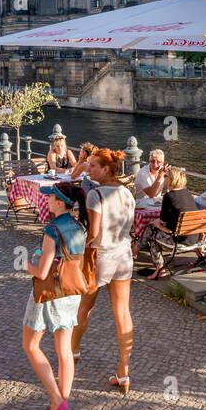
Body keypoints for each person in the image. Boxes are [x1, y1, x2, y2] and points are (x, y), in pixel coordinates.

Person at [21, 181, 88, 410]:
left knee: (30, 345)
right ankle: (60, 407)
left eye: (50, 198)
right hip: (72, 293)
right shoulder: (80, 225)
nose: (47, 201)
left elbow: (42, 272)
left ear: (60, 202)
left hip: (50, 294)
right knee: (64, 351)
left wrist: (25, 264)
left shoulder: (52, 229)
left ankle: (56, 398)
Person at [71, 149, 135, 392]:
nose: (89, 170)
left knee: (85, 307)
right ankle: (124, 371)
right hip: (124, 255)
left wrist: (79, 248)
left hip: (102, 257)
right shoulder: (128, 193)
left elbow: (94, 234)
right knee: (122, 312)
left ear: (106, 169)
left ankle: (73, 351)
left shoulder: (95, 195)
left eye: (93, 166)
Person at [140, 166, 202, 279]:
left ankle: (159, 268)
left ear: (171, 179)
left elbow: (163, 221)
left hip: (178, 239)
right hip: (194, 237)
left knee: (153, 235)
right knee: (152, 227)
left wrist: (156, 224)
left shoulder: (169, 196)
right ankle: (137, 248)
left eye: (165, 176)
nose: (164, 178)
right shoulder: (187, 193)